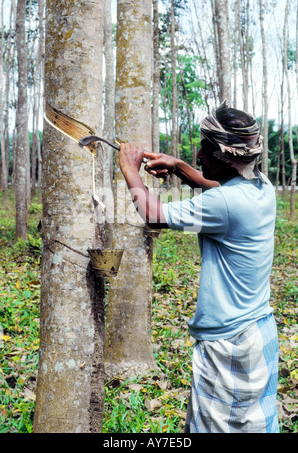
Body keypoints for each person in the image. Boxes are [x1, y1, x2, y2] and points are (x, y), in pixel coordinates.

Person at [119, 101, 279, 434]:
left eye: (205, 149)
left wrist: (130, 169)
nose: (198, 157)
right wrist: (177, 167)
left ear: (224, 156)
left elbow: (154, 216)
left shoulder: (224, 204)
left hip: (229, 343)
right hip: (258, 331)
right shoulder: (261, 187)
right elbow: (219, 188)